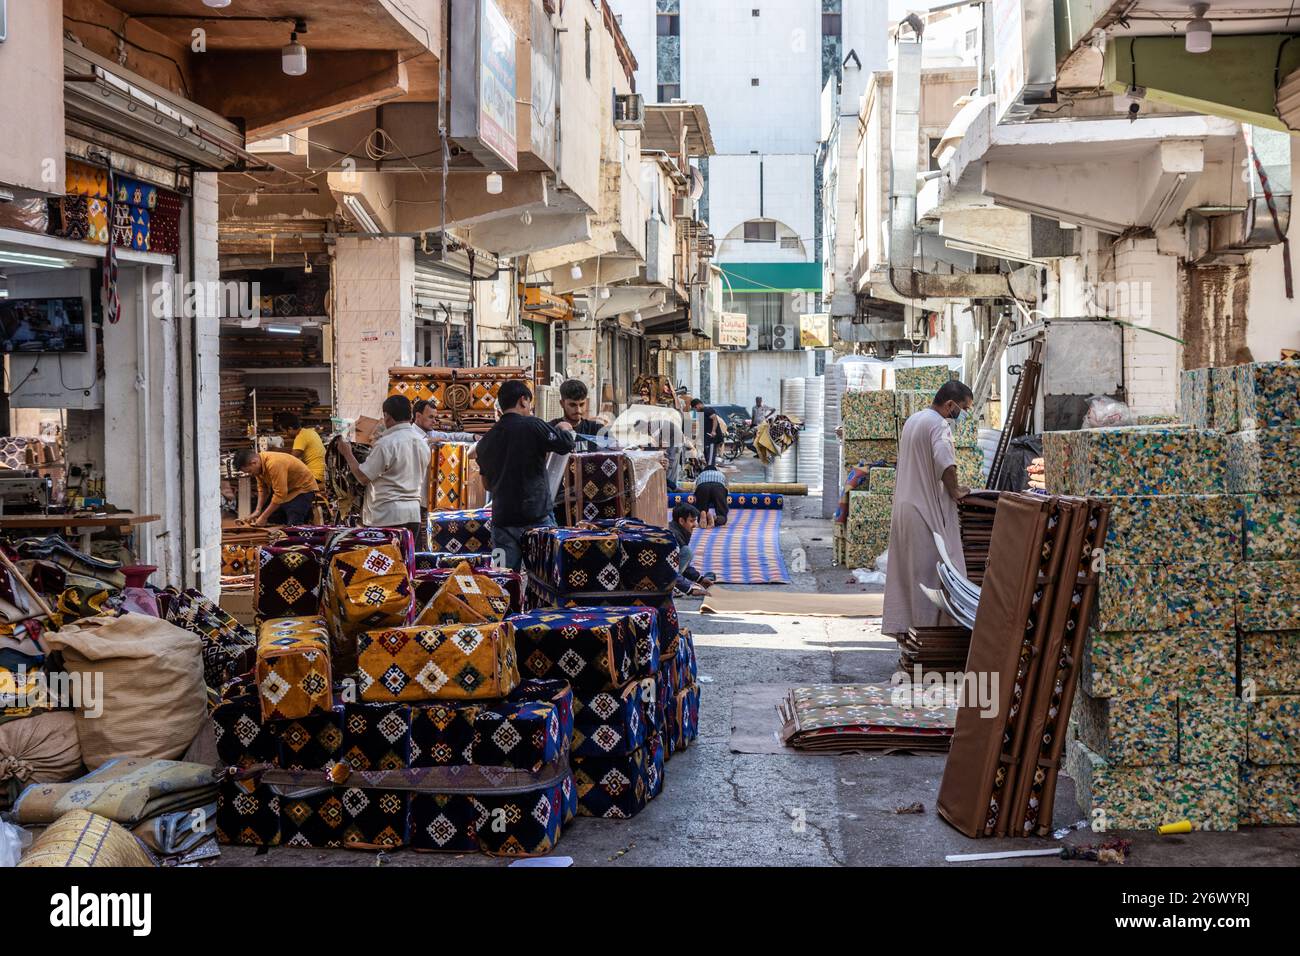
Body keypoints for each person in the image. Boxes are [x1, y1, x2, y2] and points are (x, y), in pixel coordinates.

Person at [882, 380, 975, 639]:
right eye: (963, 408)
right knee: (930, 578)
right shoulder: (939, 425)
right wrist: (956, 491)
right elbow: (945, 460)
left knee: (908, 576)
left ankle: (907, 633)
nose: (962, 414)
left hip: (904, 508)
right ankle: (928, 637)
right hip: (924, 513)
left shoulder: (913, 420)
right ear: (950, 405)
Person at [476, 380, 576, 571]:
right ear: (523, 401)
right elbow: (565, 446)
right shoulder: (533, 425)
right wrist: (564, 428)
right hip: (537, 518)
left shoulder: (486, 441)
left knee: (503, 579)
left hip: (502, 522)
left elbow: (487, 484)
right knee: (546, 576)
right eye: (529, 404)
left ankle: (506, 601)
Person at [337, 395, 432, 548]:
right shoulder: (422, 443)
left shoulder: (386, 444)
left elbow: (363, 477)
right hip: (413, 514)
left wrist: (347, 453)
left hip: (387, 516)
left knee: (385, 568)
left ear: (387, 416)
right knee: (406, 565)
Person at [235, 447, 320, 527]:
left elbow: (280, 495)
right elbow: (262, 489)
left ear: (254, 462)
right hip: (287, 491)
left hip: (302, 489)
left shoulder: (273, 463)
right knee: (270, 517)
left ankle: (307, 516)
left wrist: (264, 517)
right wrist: (257, 511)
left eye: (249, 471)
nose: (250, 474)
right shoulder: (258, 467)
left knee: (294, 525)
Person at [668, 503, 715, 596]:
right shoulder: (674, 537)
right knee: (686, 552)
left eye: (695, 521)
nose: (695, 524)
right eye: (692, 521)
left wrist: (699, 579)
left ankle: (675, 585)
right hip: (661, 578)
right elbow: (669, 569)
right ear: (681, 521)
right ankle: (672, 586)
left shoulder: (678, 531)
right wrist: (689, 590)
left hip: (665, 573)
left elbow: (680, 563)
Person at [274, 412, 326, 484]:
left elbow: (291, 460)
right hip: (322, 474)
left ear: (290, 428)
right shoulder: (309, 431)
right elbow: (294, 450)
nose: (286, 434)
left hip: (315, 477)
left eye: (284, 431)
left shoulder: (300, 437)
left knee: (283, 483)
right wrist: (278, 450)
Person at [413, 399, 479, 444]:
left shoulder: (431, 433)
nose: (434, 421)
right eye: (431, 417)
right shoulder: (408, 434)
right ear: (418, 416)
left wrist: (473, 437)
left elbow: (451, 436)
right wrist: (427, 441)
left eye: (435, 418)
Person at [691, 398, 724, 468]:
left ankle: (711, 472)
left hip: (711, 439)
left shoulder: (707, 410)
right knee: (707, 457)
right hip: (706, 439)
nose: (696, 410)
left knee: (710, 459)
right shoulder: (701, 413)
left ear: (698, 405)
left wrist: (713, 431)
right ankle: (709, 470)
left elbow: (714, 419)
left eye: (695, 408)